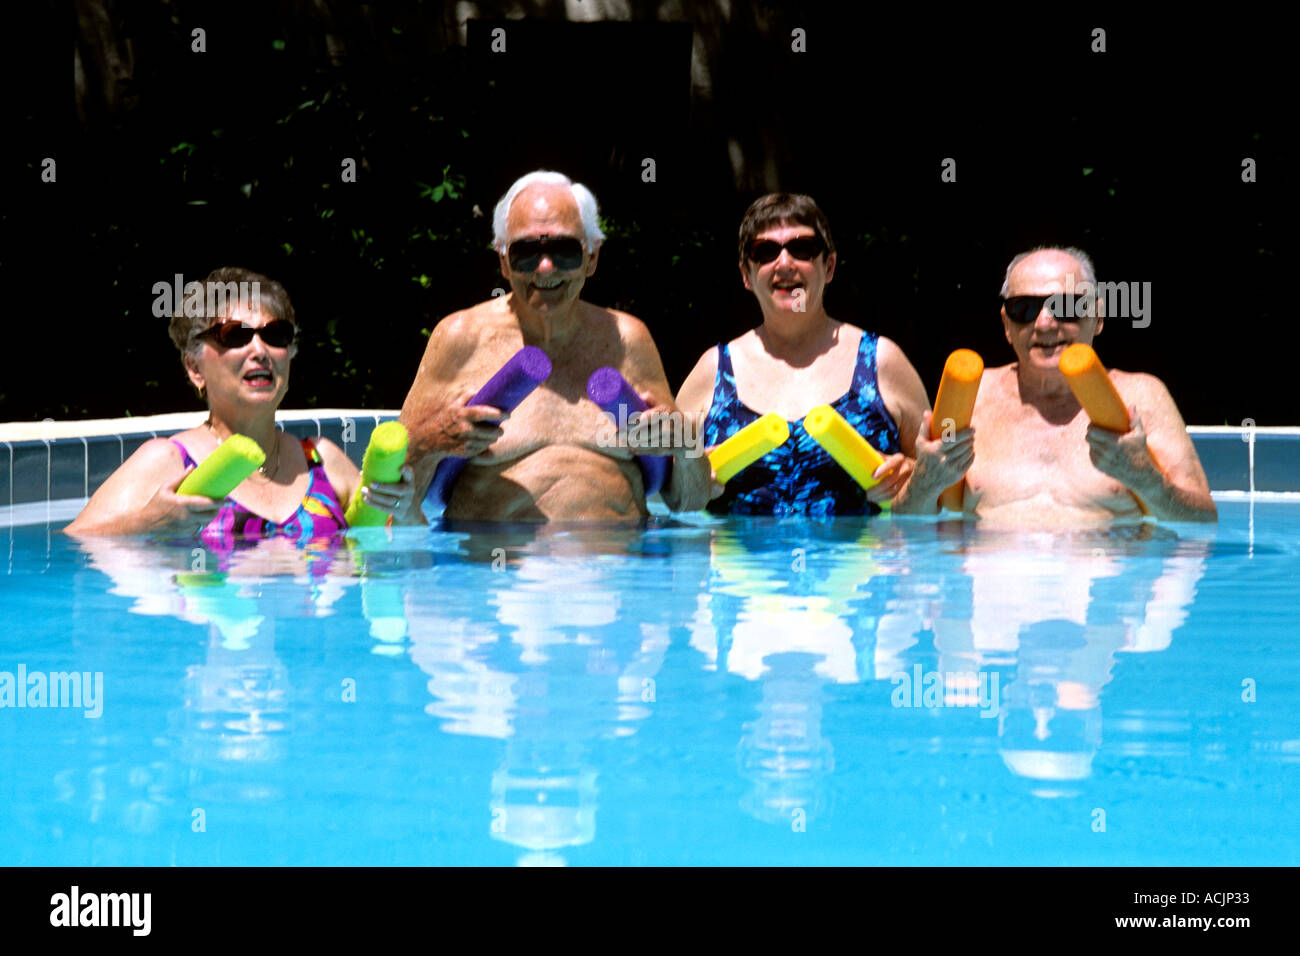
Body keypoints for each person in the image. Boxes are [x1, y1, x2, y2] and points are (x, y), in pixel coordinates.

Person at [399, 170, 712, 521]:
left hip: (624, 570)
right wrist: (428, 441)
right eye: (526, 252)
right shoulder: (461, 338)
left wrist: (687, 445)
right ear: (503, 261)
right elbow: (393, 495)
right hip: (493, 570)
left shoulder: (627, 338)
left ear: (591, 257)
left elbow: (690, 501)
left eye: (564, 250)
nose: (546, 267)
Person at [65, 267, 416, 538]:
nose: (260, 350)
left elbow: (410, 549)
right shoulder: (168, 461)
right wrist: (150, 522)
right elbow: (71, 549)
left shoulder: (321, 461)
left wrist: (407, 510)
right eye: (236, 335)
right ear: (194, 368)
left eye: (275, 335)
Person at [892, 246, 1216, 525]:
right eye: (1024, 309)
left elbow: (1202, 521)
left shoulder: (1142, 396)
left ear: (1098, 317)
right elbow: (910, 524)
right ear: (1006, 325)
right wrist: (924, 483)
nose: (1044, 323)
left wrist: (1146, 482)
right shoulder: (973, 397)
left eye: (1066, 306)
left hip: (1106, 588)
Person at [675, 193, 930, 516]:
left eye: (803, 249)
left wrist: (913, 473)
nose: (784, 263)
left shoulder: (882, 362)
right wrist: (689, 474)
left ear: (829, 265)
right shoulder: (713, 371)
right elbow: (668, 492)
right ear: (746, 275)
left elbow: (943, 493)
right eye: (765, 252)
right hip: (735, 561)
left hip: (864, 562)